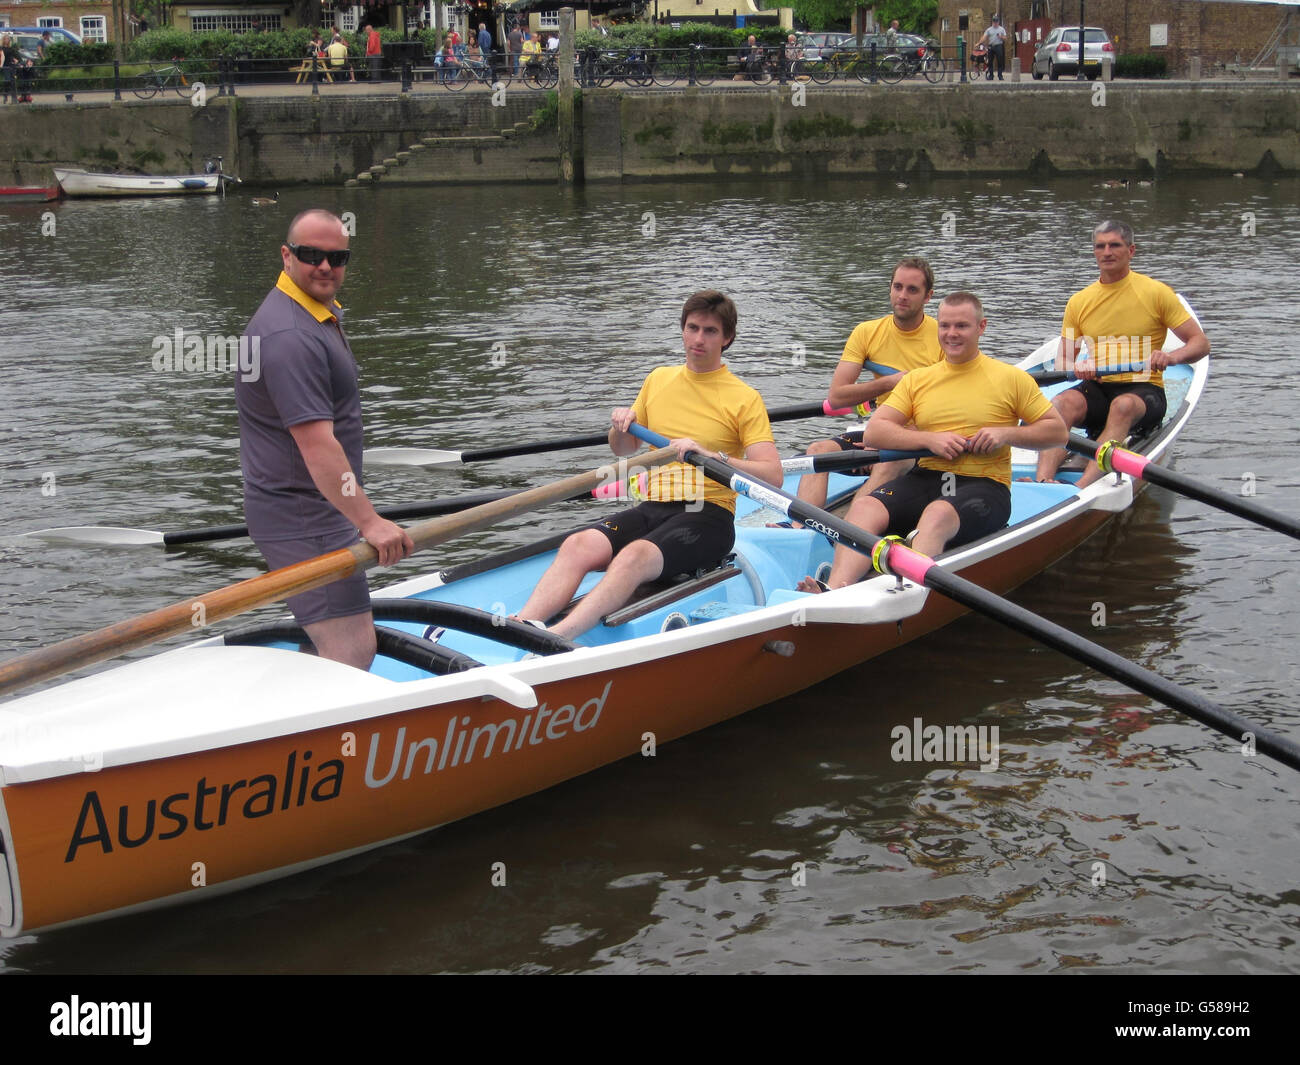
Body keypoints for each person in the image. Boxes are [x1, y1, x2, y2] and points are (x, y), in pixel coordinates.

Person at [516, 291, 782, 639]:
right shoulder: (658, 379)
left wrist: (715, 457)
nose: (699, 339)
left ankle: (559, 636)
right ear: (683, 330)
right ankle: (521, 625)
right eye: (693, 328)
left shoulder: (744, 398)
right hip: (653, 508)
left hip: (709, 516)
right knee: (578, 544)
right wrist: (620, 425)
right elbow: (623, 448)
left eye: (710, 331)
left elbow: (773, 475)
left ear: (727, 338)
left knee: (634, 555)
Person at [236, 210, 414, 669]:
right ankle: (311, 741)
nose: (325, 267)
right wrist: (371, 522)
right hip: (303, 517)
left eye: (337, 257)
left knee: (324, 646)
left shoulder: (309, 314)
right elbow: (318, 447)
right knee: (353, 651)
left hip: (311, 508)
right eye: (311, 255)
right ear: (286, 255)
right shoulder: (290, 336)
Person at [799, 292, 1067, 591]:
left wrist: (1005, 433)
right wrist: (929, 439)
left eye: (962, 326)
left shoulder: (1011, 379)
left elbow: (1057, 432)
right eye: (945, 326)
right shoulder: (918, 380)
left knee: (937, 514)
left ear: (982, 327)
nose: (951, 334)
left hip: (985, 485)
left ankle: (909, 594)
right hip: (926, 476)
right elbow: (876, 431)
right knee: (863, 509)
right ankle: (835, 591)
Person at [1033, 220, 1210, 487]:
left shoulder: (1156, 292)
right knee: (1059, 404)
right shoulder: (1079, 301)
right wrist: (1076, 368)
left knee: (1122, 406)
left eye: (1115, 245)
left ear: (1131, 250)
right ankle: (1042, 482)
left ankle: (1082, 488)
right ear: (1094, 252)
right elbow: (1064, 360)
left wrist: (1171, 358)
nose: (1107, 252)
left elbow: (1200, 344)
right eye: (1100, 246)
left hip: (1145, 390)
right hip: (1099, 387)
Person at [791, 257, 942, 517]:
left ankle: (846, 537)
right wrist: (889, 383)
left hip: (924, 442)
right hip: (881, 433)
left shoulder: (943, 338)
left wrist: (886, 441)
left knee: (884, 466)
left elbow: (946, 413)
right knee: (817, 452)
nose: (902, 295)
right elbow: (837, 397)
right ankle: (798, 529)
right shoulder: (866, 332)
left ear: (928, 296)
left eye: (912, 290)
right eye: (897, 287)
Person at [979, 15, 1007, 80]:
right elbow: (984, 37)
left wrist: (1001, 37)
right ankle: (991, 76)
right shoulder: (989, 29)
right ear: (992, 22)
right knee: (990, 61)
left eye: (996, 22)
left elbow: (1005, 38)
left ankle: (1000, 75)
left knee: (1000, 61)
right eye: (994, 22)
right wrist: (979, 43)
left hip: (999, 45)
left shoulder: (1001, 29)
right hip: (991, 46)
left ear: (998, 22)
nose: (995, 23)